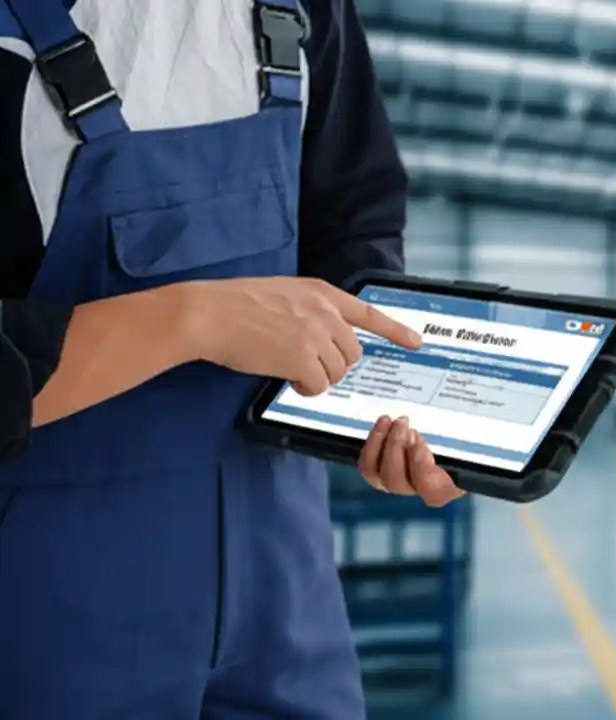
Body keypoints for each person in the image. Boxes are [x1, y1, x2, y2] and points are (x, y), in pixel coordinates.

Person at [0, 0, 461, 717]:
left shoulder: (306, 11)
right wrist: (195, 317)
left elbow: (357, 222)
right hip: (42, 608)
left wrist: (389, 406)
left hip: (285, 581)